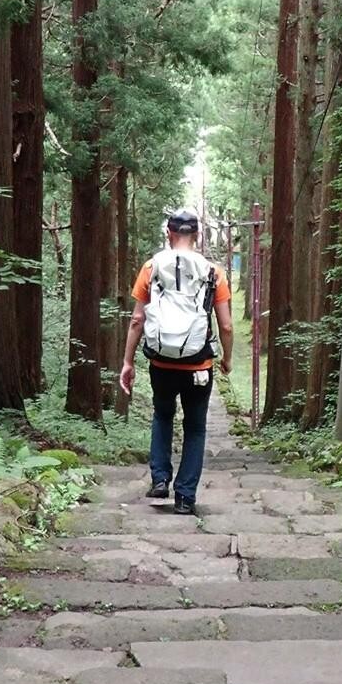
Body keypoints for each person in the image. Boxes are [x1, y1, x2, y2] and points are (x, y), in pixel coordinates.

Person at [119, 208, 233, 514]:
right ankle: (185, 497)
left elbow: (137, 318)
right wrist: (227, 359)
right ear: (196, 236)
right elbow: (226, 325)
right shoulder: (214, 273)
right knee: (195, 428)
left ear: (169, 234)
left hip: (161, 362)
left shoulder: (151, 267)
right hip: (199, 364)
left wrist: (128, 362)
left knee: (162, 415)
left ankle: (159, 479)